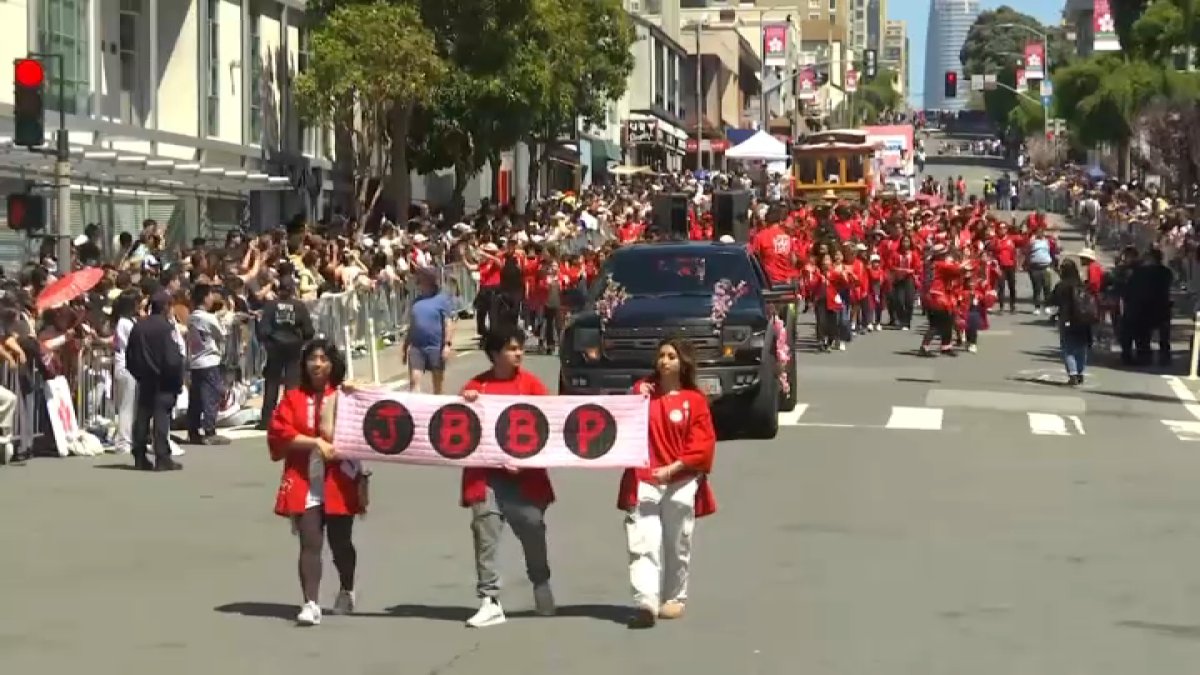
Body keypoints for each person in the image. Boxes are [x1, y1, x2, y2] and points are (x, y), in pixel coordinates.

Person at [459, 324, 555, 627]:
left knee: (533, 530)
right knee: (484, 533)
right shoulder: (476, 387)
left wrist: (524, 462)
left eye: (520, 348)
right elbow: (457, 429)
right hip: (486, 476)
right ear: (495, 354)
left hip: (525, 477)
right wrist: (465, 402)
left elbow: (550, 427)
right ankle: (489, 599)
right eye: (512, 349)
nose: (519, 354)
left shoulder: (532, 386)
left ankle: (540, 582)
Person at [267, 338, 365, 627]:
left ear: (333, 363)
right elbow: (279, 432)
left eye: (323, 358)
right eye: (312, 358)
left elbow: (372, 419)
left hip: (340, 480)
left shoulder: (346, 394)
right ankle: (310, 602)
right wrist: (314, 442)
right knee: (310, 542)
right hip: (304, 479)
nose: (318, 364)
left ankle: (347, 587)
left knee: (341, 543)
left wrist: (358, 391)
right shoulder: (293, 397)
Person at [623, 337, 717, 629]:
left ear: (682, 363)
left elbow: (703, 444)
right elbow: (617, 419)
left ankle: (675, 597)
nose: (664, 361)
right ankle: (645, 602)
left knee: (677, 542)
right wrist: (635, 393)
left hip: (682, 479)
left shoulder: (695, 400)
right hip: (645, 476)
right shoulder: (642, 394)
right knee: (643, 539)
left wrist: (674, 468)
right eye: (661, 356)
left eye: (671, 356)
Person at [124, 291, 184, 471]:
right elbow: (173, 357)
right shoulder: (166, 328)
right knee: (161, 418)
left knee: (142, 416)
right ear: (166, 307)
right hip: (164, 379)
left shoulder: (139, 327)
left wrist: (139, 373)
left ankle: (140, 454)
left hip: (145, 378)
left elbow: (130, 356)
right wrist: (177, 378)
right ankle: (162, 456)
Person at [257, 277, 314, 428]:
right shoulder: (299, 306)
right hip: (293, 347)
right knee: (292, 383)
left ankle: (267, 419)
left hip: (275, 347)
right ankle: (292, 417)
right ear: (292, 289)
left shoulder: (271, 306)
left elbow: (263, 329)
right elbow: (309, 330)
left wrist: (267, 342)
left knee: (272, 383)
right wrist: (301, 340)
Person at [186, 283, 230, 445]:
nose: (212, 298)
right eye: (210, 295)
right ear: (205, 298)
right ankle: (210, 431)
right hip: (210, 360)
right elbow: (222, 334)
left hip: (196, 360)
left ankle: (193, 430)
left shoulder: (191, 317)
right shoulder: (209, 318)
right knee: (212, 395)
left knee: (196, 398)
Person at [402, 267, 454, 394]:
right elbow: (412, 326)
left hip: (436, 347)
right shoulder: (416, 302)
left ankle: (437, 406)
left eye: (421, 278)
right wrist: (405, 346)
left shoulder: (441, 300)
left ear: (429, 281)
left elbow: (448, 323)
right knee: (414, 381)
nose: (418, 281)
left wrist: (447, 345)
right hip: (417, 348)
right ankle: (416, 408)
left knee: (437, 383)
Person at [1049, 259, 1096, 385]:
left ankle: (1073, 373)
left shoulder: (1061, 285)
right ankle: (1080, 372)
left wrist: (1053, 314)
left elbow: (1052, 300)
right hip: (1083, 320)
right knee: (1081, 347)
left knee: (1068, 348)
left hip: (1067, 319)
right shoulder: (1081, 285)